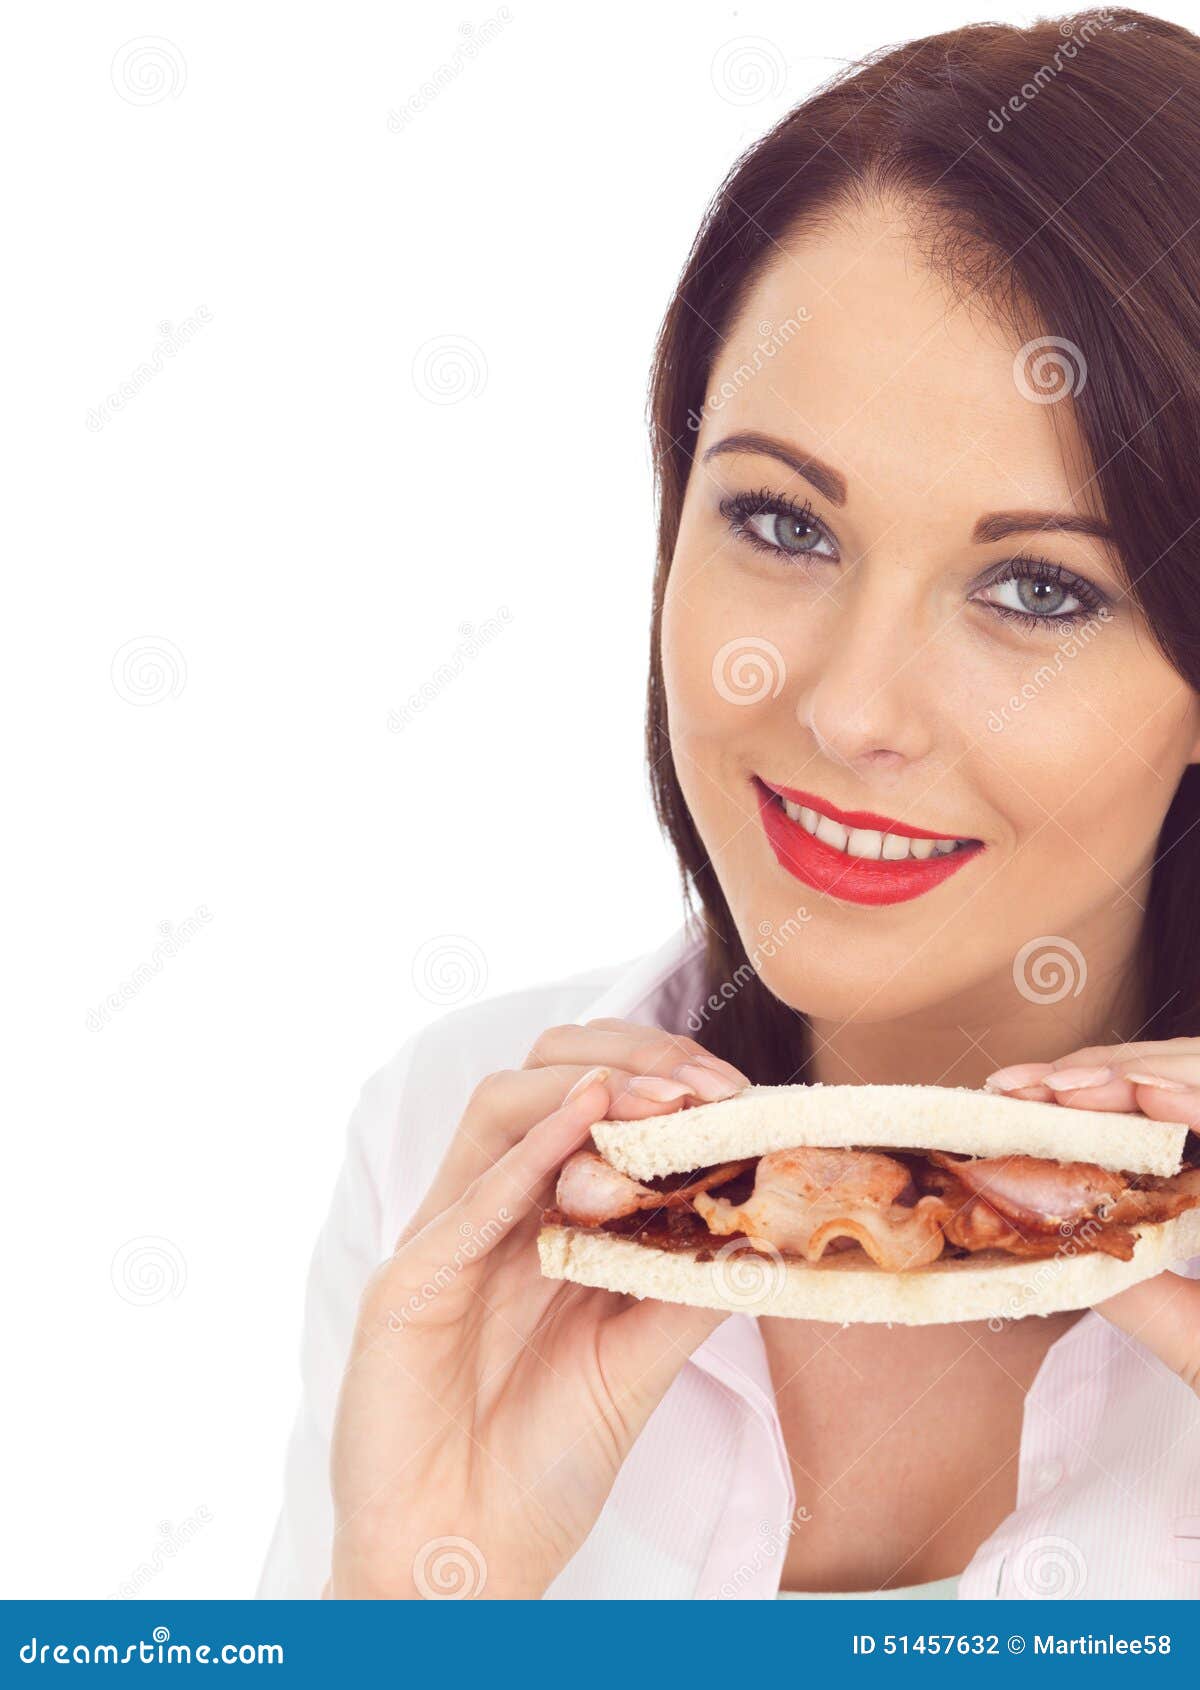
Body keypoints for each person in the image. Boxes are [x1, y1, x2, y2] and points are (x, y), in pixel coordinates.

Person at [258, 9, 1200, 1599]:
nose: (847, 709)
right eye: (780, 518)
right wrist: (426, 1602)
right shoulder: (457, 1150)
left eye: (1038, 589)